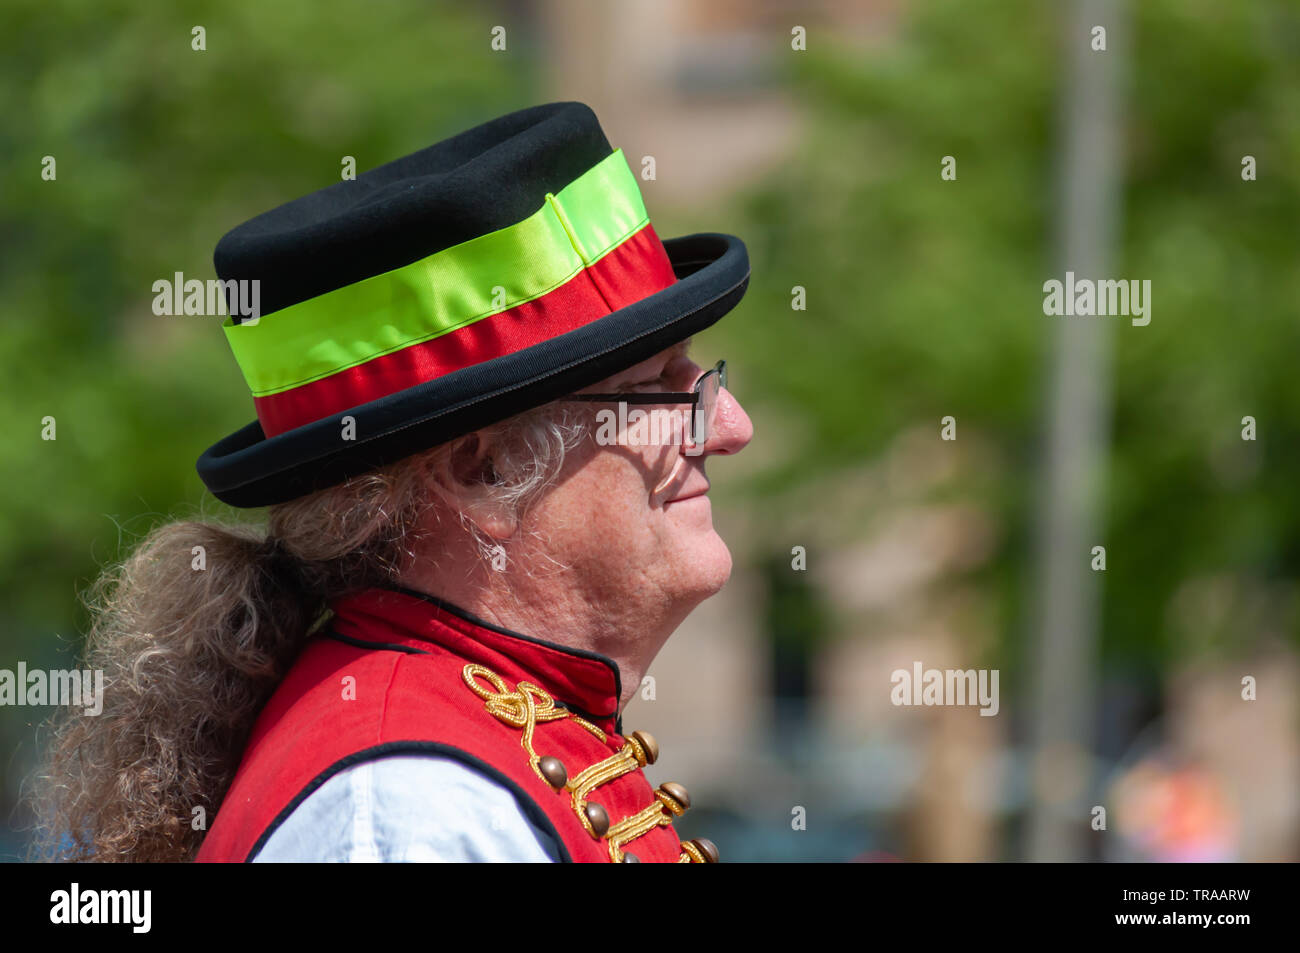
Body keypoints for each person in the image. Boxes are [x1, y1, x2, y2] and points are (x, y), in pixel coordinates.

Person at [34, 101, 753, 863]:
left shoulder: (455, 763)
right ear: (483, 471)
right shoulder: (408, 818)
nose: (731, 423)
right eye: (662, 390)